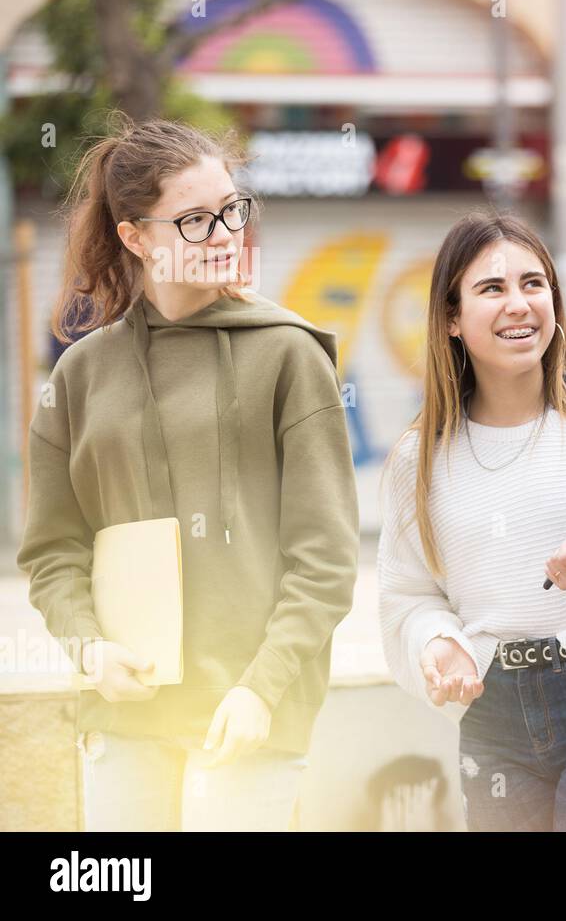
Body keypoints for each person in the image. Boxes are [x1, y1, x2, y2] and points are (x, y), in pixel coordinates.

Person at [16, 116, 360, 831]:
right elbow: (52, 550)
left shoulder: (291, 357)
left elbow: (324, 560)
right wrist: (88, 646)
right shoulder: (80, 374)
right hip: (125, 711)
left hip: (249, 714)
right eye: (195, 220)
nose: (226, 235)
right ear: (134, 236)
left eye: (232, 210)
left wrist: (261, 690)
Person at [377, 212, 566, 831]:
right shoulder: (420, 455)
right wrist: (439, 643)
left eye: (533, 284)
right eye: (491, 289)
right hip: (490, 720)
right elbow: (407, 597)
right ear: (452, 319)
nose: (519, 305)